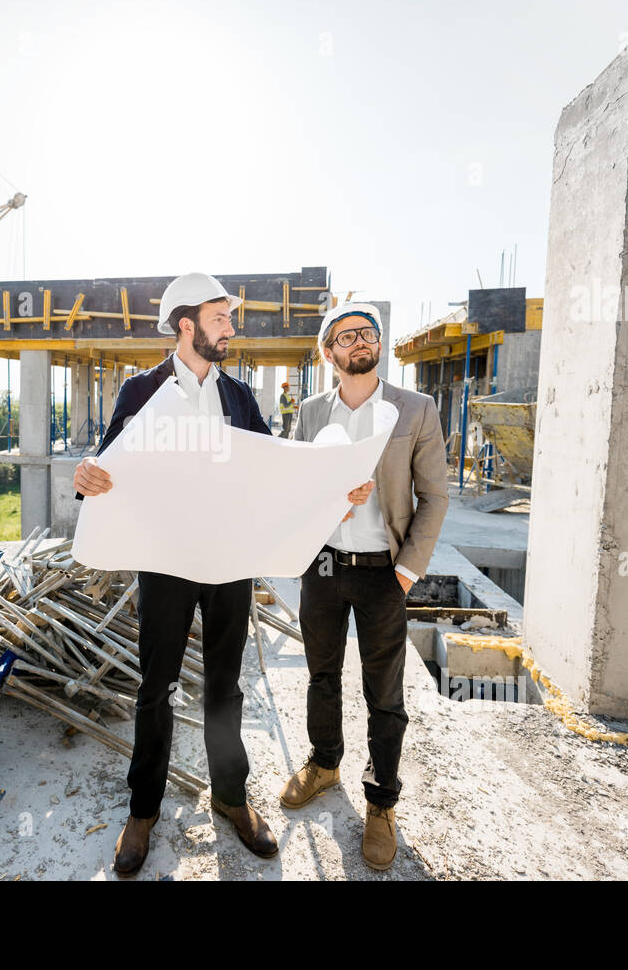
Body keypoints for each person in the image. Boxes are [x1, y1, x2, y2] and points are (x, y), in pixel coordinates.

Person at [74, 271, 279, 877]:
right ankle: (143, 811)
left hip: (228, 562)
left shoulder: (238, 396)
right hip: (164, 564)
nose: (230, 327)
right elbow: (106, 464)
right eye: (221, 318)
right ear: (187, 324)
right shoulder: (141, 391)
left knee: (225, 687)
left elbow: (272, 466)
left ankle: (232, 799)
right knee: (155, 687)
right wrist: (88, 473)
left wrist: (326, 488)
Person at [278, 302, 448, 870]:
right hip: (323, 566)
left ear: (378, 344)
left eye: (367, 333)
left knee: (385, 693)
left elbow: (436, 496)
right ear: (329, 354)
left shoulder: (415, 409)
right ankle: (325, 764)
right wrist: (328, 499)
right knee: (322, 674)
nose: (359, 342)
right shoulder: (309, 411)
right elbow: (297, 489)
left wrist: (405, 573)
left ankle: (381, 803)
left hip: (383, 570)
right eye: (346, 336)